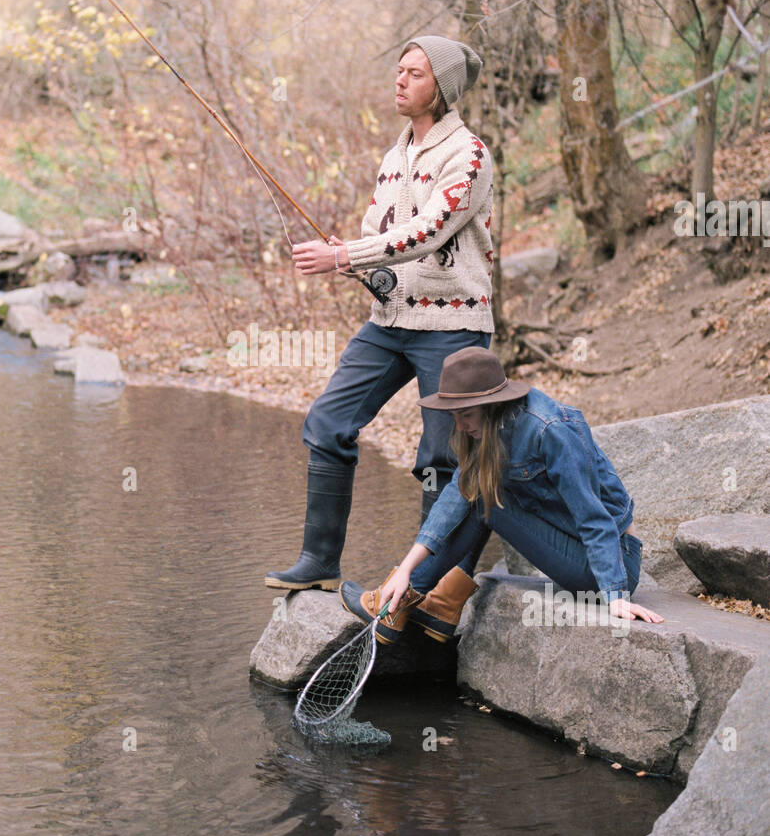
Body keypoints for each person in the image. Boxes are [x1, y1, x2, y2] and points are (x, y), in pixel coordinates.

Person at [266, 36, 495, 591]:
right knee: (328, 424)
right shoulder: (395, 156)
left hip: (452, 325)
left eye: (414, 74)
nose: (399, 81)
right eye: (398, 70)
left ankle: (426, 588)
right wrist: (352, 259)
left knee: (443, 458)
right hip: (389, 323)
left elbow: (426, 232)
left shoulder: (469, 154)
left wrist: (344, 255)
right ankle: (319, 565)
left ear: (442, 89)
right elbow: (381, 234)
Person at [339, 347, 664, 643]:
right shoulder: (489, 430)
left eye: (466, 414)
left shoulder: (549, 429)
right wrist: (407, 567)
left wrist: (615, 594)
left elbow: (592, 515)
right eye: (455, 416)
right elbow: (454, 495)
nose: (461, 426)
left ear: (491, 405)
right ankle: (433, 604)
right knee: (471, 490)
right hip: (572, 547)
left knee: (484, 501)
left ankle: (404, 602)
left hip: (610, 564)